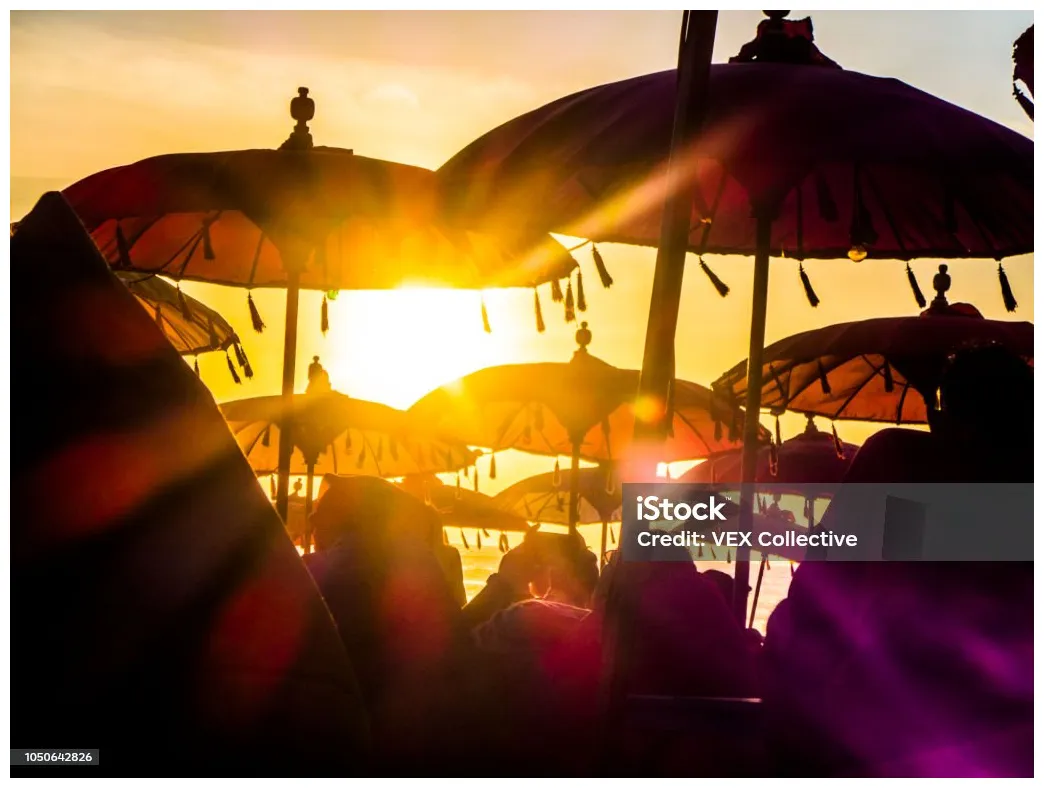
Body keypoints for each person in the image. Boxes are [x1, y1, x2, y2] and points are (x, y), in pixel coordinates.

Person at [761, 345, 1033, 776]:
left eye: (940, 409)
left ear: (943, 419)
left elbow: (820, 596)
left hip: (882, 739)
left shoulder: (901, 462)